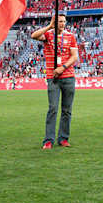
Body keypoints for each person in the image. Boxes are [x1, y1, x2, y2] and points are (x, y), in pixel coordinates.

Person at [30, 15, 79, 149]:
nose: (62, 24)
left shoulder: (70, 36)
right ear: (54, 22)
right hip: (53, 78)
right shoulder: (48, 35)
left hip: (68, 76)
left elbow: (74, 56)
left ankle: (63, 138)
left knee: (67, 110)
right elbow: (34, 36)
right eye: (59, 22)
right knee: (53, 108)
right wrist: (49, 27)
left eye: (64, 21)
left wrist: (62, 68)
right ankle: (48, 140)